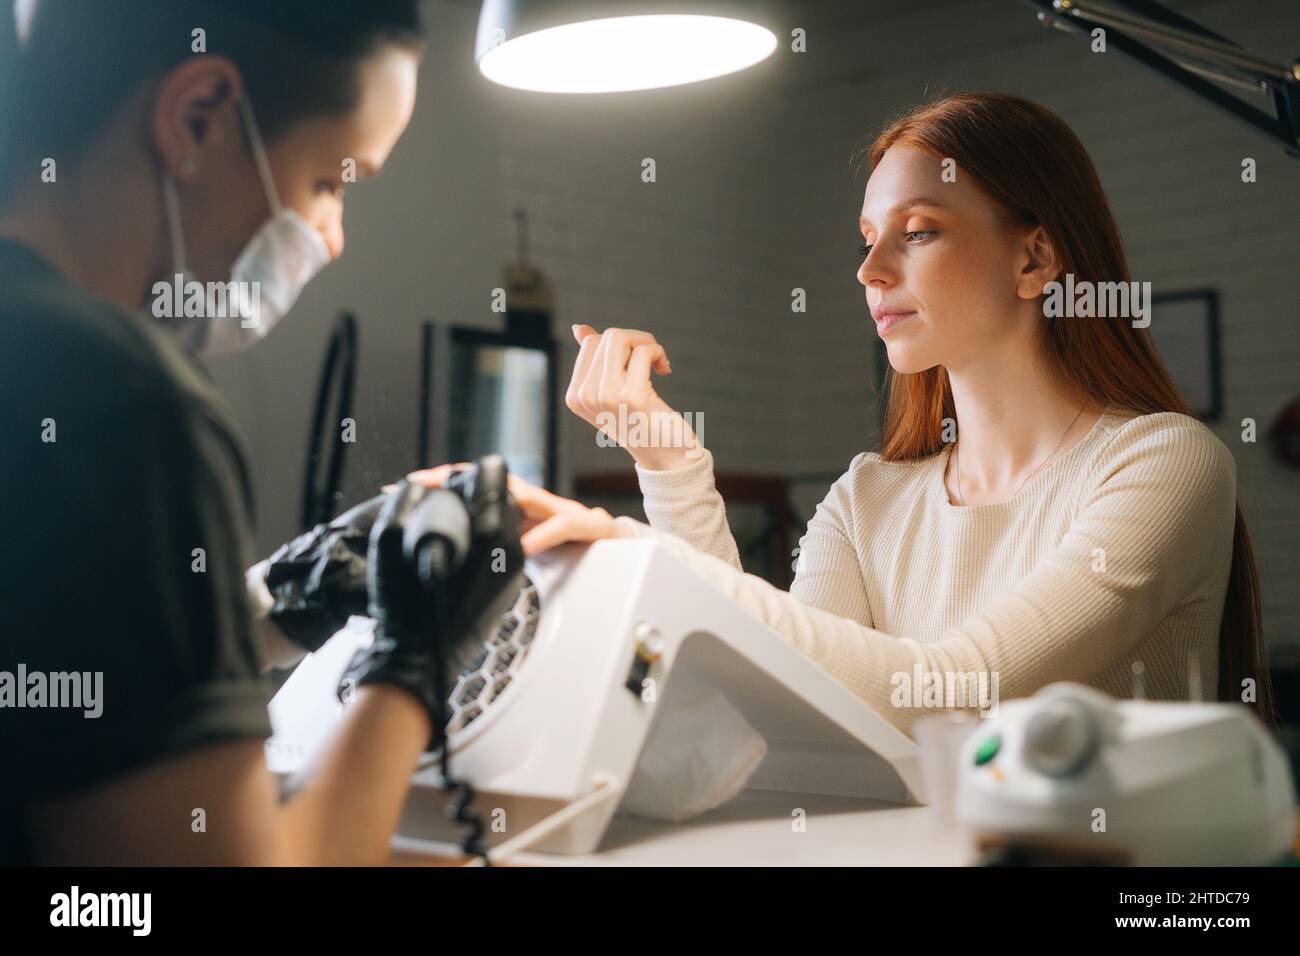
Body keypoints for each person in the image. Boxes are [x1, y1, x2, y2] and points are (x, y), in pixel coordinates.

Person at [413, 91, 1278, 737]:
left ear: (1036, 256)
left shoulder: (1167, 463)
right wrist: (671, 465)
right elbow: (777, 698)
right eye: (868, 236)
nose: (870, 270)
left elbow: (957, 686)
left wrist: (626, 545)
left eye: (920, 230)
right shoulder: (870, 498)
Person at [0, 0, 522, 866]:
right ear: (198, 115)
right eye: (333, 178)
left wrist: (269, 605)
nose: (335, 234)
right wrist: (413, 663)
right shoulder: (128, 402)